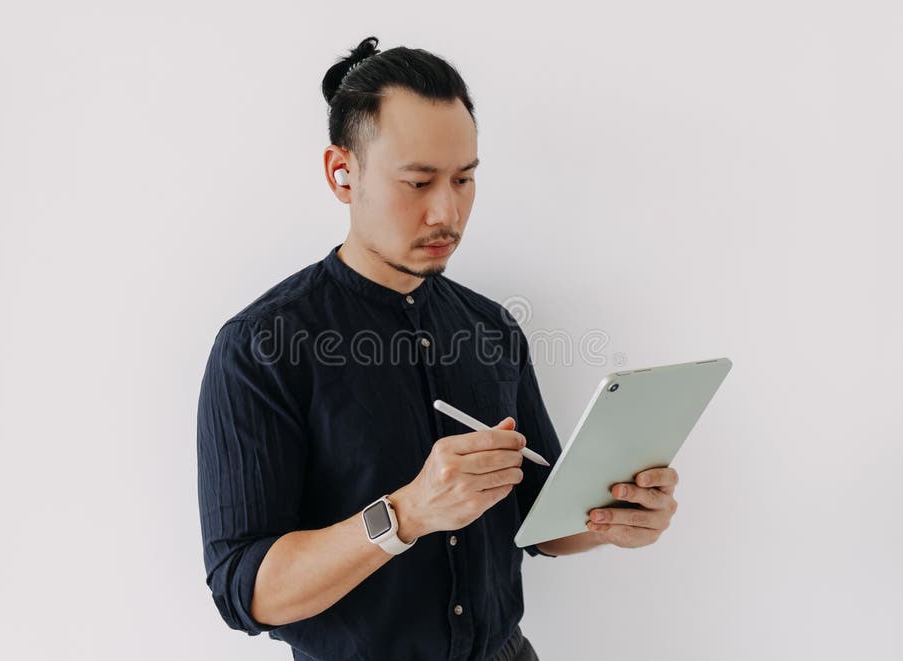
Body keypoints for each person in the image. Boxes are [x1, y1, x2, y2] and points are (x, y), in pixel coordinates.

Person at [196, 36, 680, 661]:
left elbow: (540, 520)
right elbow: (245, 591)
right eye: (418, 181)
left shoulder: (492, 326)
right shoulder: (260, 346)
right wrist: (405, 514)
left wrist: (615, 517)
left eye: (464, 179)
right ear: (342, 172)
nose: (446, 212)